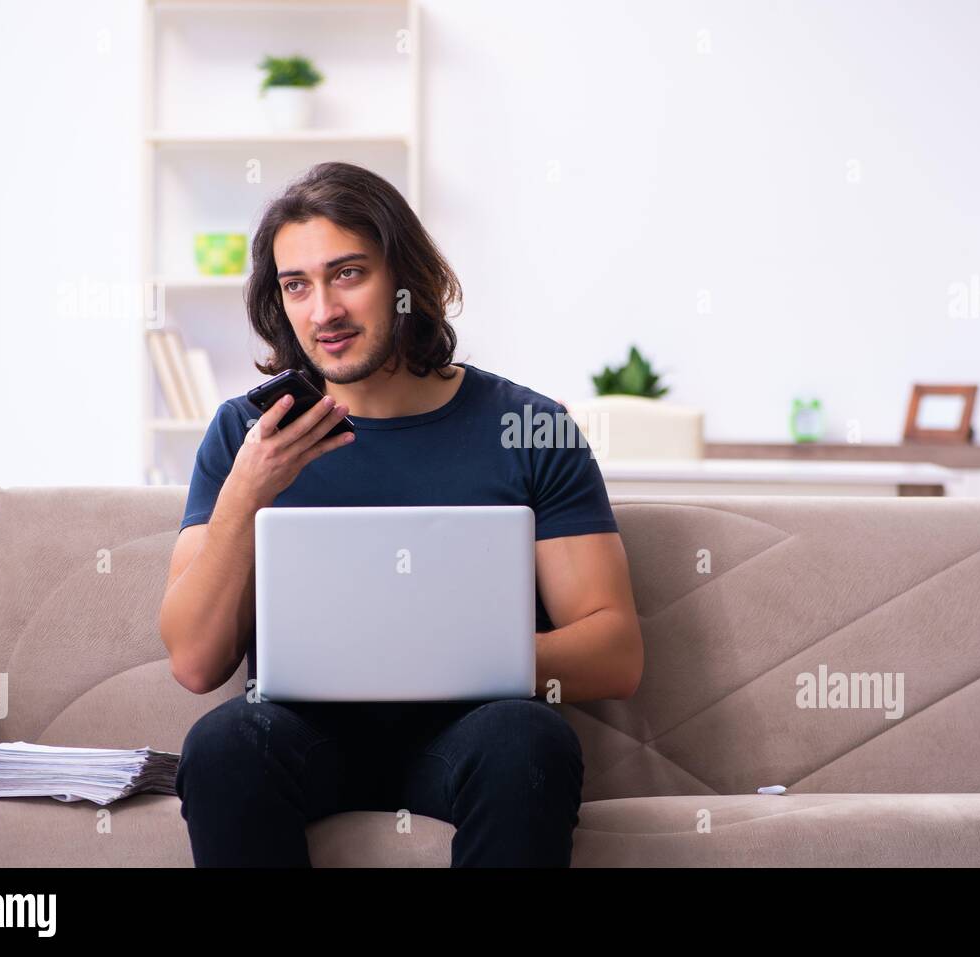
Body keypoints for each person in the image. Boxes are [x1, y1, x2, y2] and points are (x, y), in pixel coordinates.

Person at [158, 161, 644, 867]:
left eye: (348, 274)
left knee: (528, 738)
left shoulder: (530, 427)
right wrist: (244, 493)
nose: (322, 311)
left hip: (471, 737)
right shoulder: (247, 436)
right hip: (303, 738)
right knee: (222, 742)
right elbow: (196, 663)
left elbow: (615, 651)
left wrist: (444, 660)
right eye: (297, 285)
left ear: (406, 280)